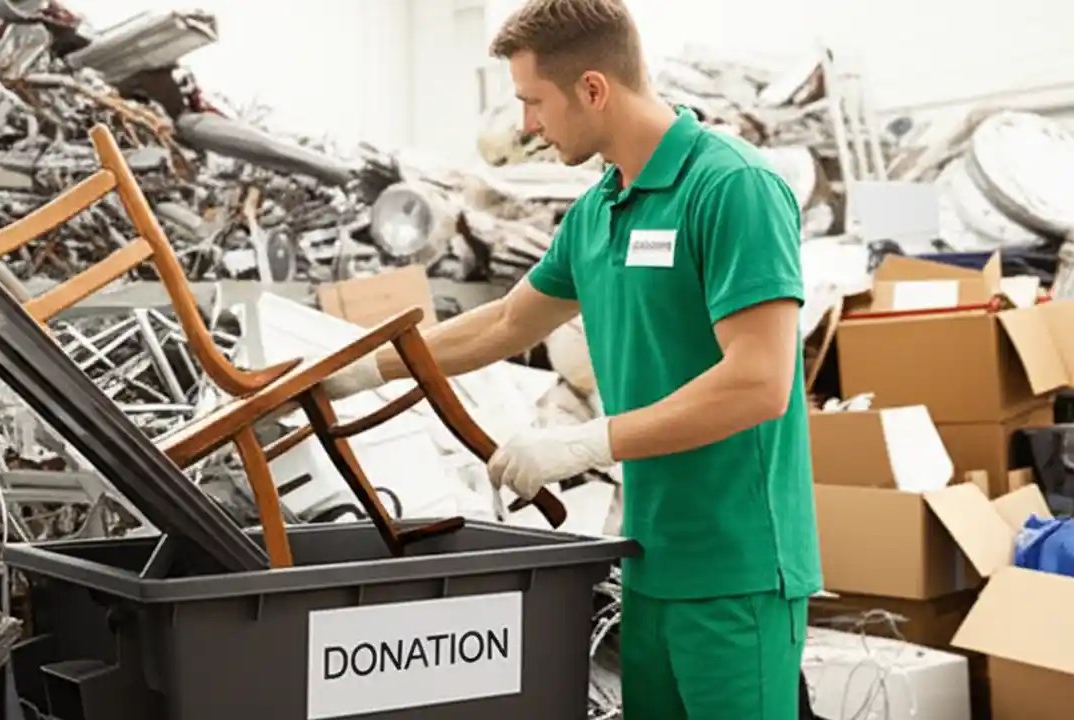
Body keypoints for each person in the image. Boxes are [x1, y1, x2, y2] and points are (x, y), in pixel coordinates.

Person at [320, 0, 821, 717]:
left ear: (593, 88)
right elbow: (506, 321)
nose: (526, 124)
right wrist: (365, 367)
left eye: (533, 102)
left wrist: (585, 442)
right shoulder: (598, 211)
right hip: (649, 560)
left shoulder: (732, 188)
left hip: (737, 569)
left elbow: (760, 383)